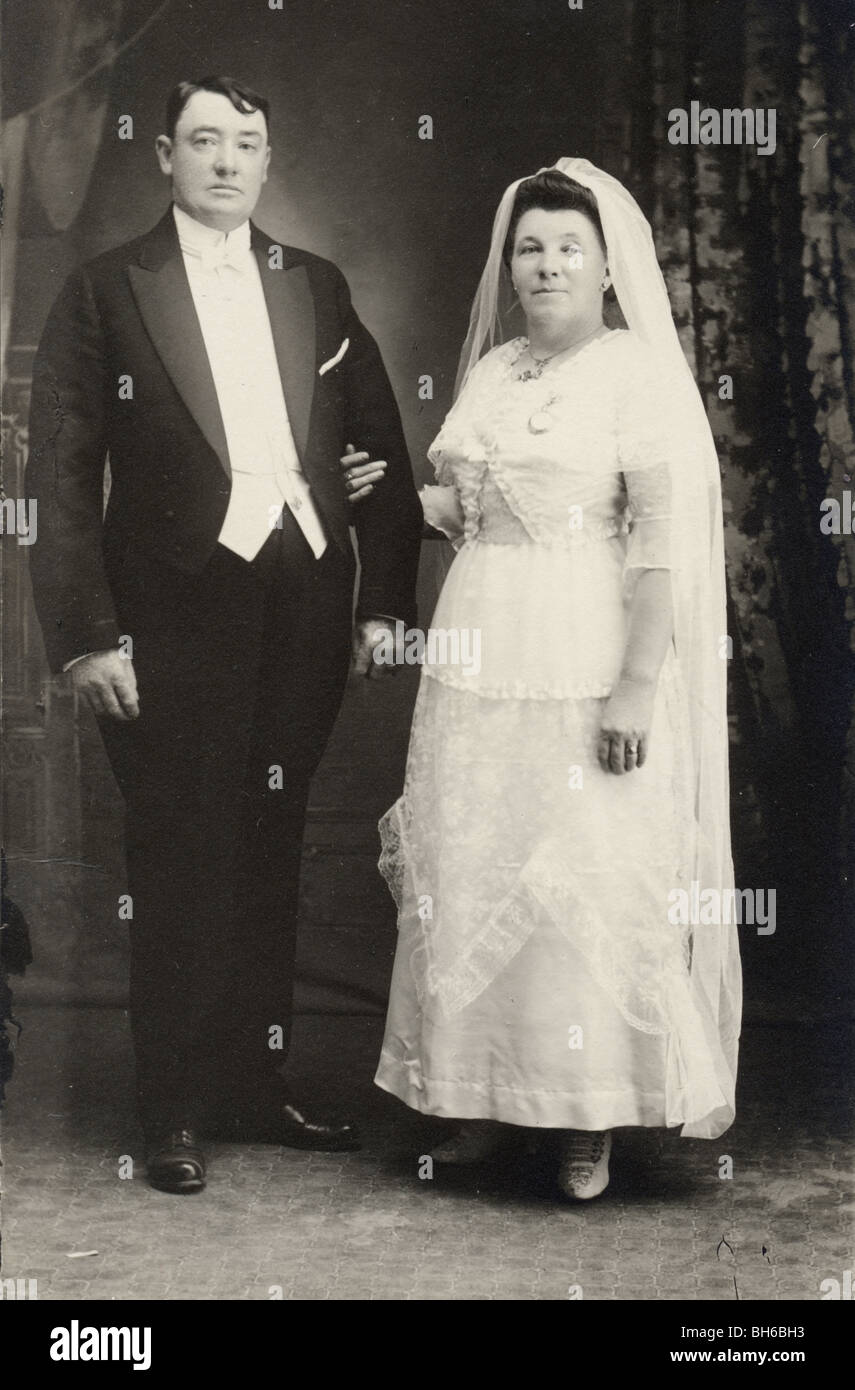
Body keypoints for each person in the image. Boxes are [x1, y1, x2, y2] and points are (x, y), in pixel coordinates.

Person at [26, 75, 423, 1193]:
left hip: (302, 603)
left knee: (270, 841)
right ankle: (173, 1109)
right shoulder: (108, 287)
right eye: (204, 140)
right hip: (171, 613)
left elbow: (380, 449)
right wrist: (87, 635)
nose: (227, 162)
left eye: (247, 142)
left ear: (266, 156)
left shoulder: (317, 285)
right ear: (163, 155)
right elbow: (54, 474)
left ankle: (255, 1084)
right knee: (182, 850)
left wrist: (382, 598)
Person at [367, 159, 741, 1200]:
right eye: (529, 246)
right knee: (479, 857)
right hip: (482, 646)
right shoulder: (492, 374)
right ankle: (483, 1094)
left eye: (567, 247)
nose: (545, 264)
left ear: (607, 266)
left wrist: (633, 686)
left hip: (587, 648)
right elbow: (470, 509)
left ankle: (586, 1121)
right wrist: (401, 497)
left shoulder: (640, 378)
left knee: (583, 869)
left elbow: (663, 546)